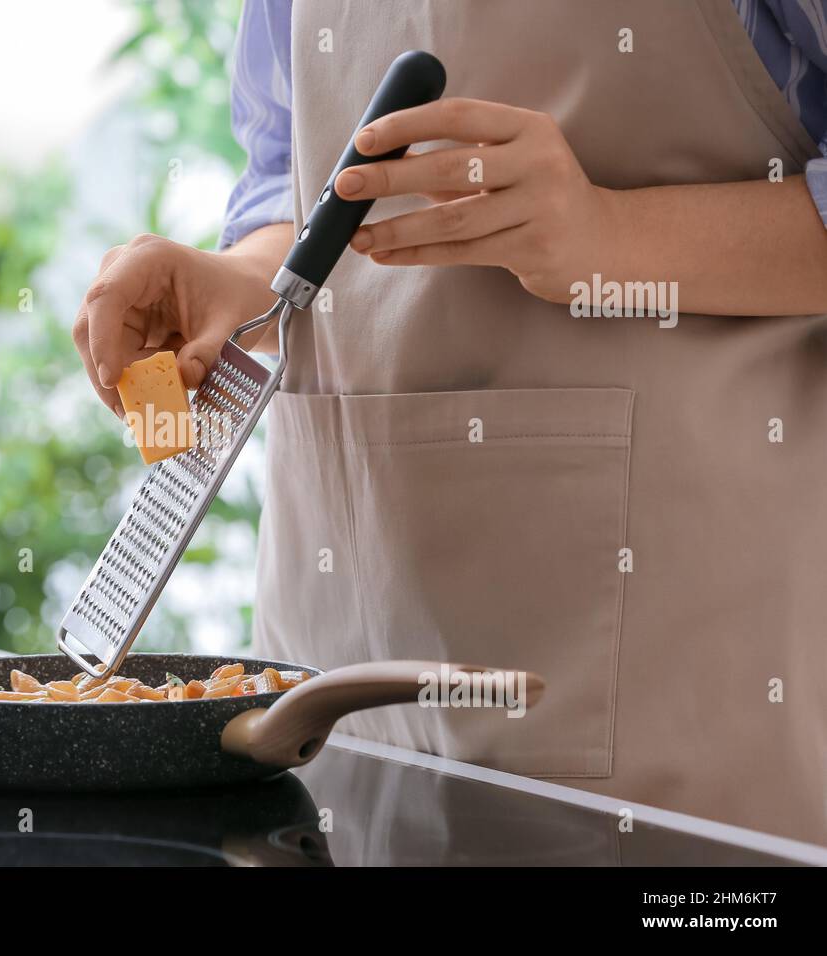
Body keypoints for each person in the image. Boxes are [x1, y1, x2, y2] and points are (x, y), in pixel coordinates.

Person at [73, 0, 827, 844]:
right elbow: (291, 173)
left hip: (682, 689)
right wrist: (244, 276)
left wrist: (613, 234)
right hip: (331, 679)